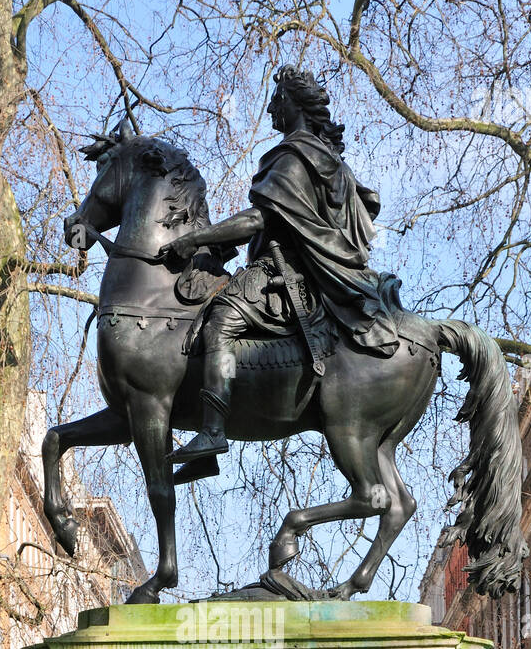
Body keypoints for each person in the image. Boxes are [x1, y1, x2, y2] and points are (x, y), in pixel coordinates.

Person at [167, 64, 400, 466]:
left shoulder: (297, 157)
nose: (273, 108)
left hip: (284, 277)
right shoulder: (325, 158)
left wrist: (194, 238)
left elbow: (259, 219)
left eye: (278, 100)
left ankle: (212, 433)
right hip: (302, 274)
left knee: (220, 319)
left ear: (294, 103)